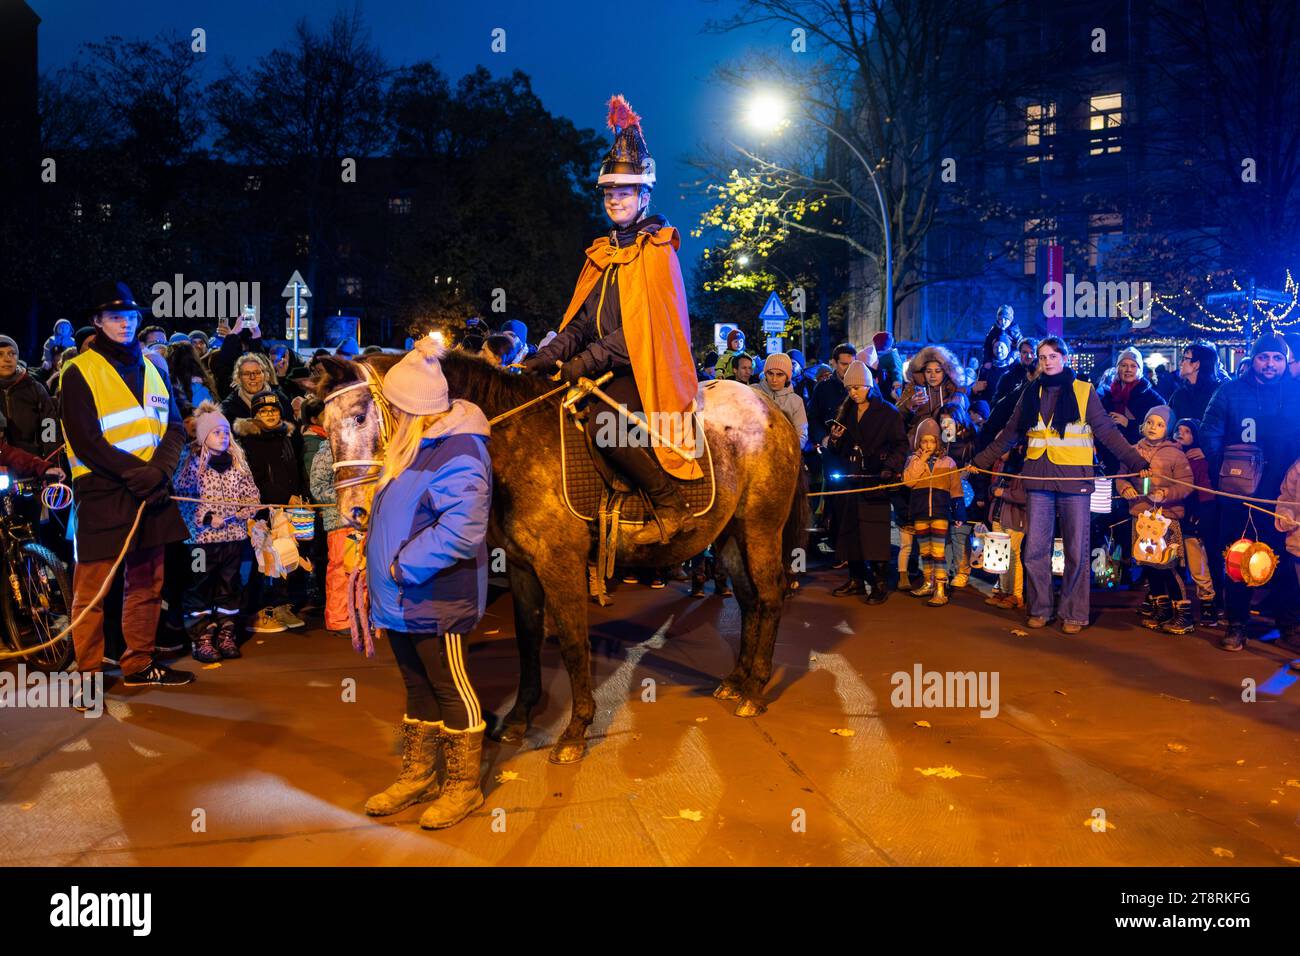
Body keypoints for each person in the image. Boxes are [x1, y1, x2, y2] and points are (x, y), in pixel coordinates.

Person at [521, 94, 699, 545]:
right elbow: (581, 323)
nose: (614, 200)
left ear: (643, 195)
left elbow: (641, 332)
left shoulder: (657, 251)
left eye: (624, 192)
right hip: (604, 366)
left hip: (643, 369)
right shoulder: (604, 252)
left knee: (604, 422)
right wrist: (548, 356)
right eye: (609, 193)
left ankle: (668, 504)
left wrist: (585, 364)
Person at [364, 337, 492, 829]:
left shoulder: (458, 449)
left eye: (390, 406)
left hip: (436, 596)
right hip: (400, 597)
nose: (384, 414)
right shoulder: (415, 445)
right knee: (417, 686)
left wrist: (402, 566)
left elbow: (463, 527)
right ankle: (419, 774)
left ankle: (463, 786)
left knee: (449, 685)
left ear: (409, 408)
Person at [58, 280, 195, 688]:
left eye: (131, 316)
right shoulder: (77, 370)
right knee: (92, 592)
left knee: (147, 584)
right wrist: (141, 475)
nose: (125, 323)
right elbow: (86, 440)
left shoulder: (153, 367)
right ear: (98, 322)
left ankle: (139, 664)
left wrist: (159, 473)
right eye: (115, 317)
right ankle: (88, 677)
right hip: (101, 492)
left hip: (152, 490)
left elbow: (174, 427)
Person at [973, 336, 1148, 634]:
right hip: (1038, 479)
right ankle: (1040, 608)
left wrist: (1136, 462)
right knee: (1035, 551)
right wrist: (980, 461)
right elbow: (1010, 434)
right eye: (1043, 356)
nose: (1047, 360)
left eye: (1053, 355)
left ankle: (1074, 613)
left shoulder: (1083, 391)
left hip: (1075, 481)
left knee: (1076, 551)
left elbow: (1106, 432)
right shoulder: (1031, 391)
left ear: (1065, 358)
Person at [1200, 331, 1300, 651]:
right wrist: (1227, 475)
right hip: (1240, 493)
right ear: (1253, 359)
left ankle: (1288, 623)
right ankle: (1237, 623)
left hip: (1283, 494)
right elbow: (1210, 434)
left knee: (1284, 559)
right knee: (1238, 557)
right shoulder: (1229, 392)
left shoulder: (1296, 393)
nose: (1269, 364)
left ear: (1285, 362)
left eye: (1276, 358)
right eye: (1263, 357)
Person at [174, 403, 261, 661]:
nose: (223, 437)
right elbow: (181, 497)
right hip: (201, 541)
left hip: (233, 538)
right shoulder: (191, 463)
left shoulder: (237, 463)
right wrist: (206, 516)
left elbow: (251, 494)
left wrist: (245, 511)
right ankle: (202, 636)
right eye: (216, 432)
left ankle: (226, 632)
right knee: (199, 586)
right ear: (203, 437)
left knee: (229, 585)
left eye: (225, 432)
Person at [826, 361, 908, 603]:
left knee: (875, 532)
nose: (853, 393)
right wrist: (834, 440)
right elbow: (835, 447)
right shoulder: (845, 411)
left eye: (858, 387)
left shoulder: (888, 413)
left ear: (869, 386)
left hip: (875, 477)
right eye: (849, 388)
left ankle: (880, 583)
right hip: (850, 477)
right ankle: (856, 579)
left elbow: (901, 445)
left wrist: (889, 468)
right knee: (850, 530)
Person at [1115, 406, 1195, 633]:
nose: (1153, 428)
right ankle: (1162, 607)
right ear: (1143, 424)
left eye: (1160, 425)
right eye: (1150, 422)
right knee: (1149, 564)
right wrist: (1125, 488)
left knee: (1169, 565)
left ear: (1167, 429)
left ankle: (1183, 613)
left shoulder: (1176, 454)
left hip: (1166, 519)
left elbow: (1186, 483)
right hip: (1141, 516)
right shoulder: (1132, 451)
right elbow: (1121, 477)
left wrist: (1166, 494)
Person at [238, 390, 306, 633]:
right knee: (262, 562)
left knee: (285, 556)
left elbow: (293, 469)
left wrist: (296, 493)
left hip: (285, 510)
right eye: (263, 411)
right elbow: (253, 478)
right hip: (262, 511)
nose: (269, 414)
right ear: (255, 415)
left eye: (274, 410)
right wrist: (276, 499)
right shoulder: (248, 442)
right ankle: (257, 610)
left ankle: (281, 605)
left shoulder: (285, 437)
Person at [903, 418, 961, 606]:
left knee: (938, 551)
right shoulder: (913, 460)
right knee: (925, 551)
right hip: (920, 511)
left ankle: (940, 587)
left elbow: (956, 488)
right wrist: (922, 460)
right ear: (918, 442)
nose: (928, 445)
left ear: (938, 441)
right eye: (924, 441)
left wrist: (959, 512)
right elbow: (908, 481)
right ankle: (928, 582)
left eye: (932, 441)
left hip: (939, 511)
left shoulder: (948, 461)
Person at [1173, 417, 1219, 626]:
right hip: (1173, 513)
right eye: (1178, 430)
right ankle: (1177, 602)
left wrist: (1199, 513)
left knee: (1197, 560)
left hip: (1193, 515)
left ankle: (1207, 601)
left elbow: (1204, 490)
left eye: (1187, 431)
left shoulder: (1198, 459)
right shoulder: (1170, 456)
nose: (1181, 434)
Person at [1097, 347, 1165, 472]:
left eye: (1133, 366)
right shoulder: (1107, 396)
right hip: (1109, 457)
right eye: (1124, 365)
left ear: (1139, 370)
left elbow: (1162, 429)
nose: (1128, 369)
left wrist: (1129, 423)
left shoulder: (1151, 398)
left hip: (1139, 459)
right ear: (1118, 369)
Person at [0, 334, 59, 460]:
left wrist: (49, 460)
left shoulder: (34, 388)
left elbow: (49, 423)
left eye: (12, 353)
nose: (7, 359)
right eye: (0, 354)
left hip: (33, 465)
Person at [984, 444, 1028, 609]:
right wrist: (993, 489)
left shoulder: (1024, 470)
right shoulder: (1001, 467)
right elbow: (992, 487)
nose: (999, 451)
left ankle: (1016, 595)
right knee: (1000, 556)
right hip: (998, 516)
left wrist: (1003, 493)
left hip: (1015, 519)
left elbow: (1026, 496)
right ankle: (1004, 590)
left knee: (1013, 555)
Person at [938, 402, 977, 588]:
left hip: (963, 492)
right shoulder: (940, 443)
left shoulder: (970, 442)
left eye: (949, 421)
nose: (945, 425)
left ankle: (962, 571)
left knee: (959, 534)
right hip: (943, 491)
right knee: (945, 534)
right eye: (942, 421)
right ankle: (946, 570)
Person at [898, 344, 963, 437]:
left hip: (946, 440)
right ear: (923, 372)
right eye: (928, 371)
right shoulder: (914, 388)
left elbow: (962, 422)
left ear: (945, 372)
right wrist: (910, 405)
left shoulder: (955, 391)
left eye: (937, 371)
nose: (932, 375)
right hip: (919, 441)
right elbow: (897, 416)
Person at [753, 352, 809, 450]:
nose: (774, 379)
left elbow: (801, 435)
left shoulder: (796, 401)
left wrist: (787, 450)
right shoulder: (752, 392)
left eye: (779, 375)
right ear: (765, 373)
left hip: (783, 455)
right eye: (770, 373)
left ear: (787, 377)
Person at [1275, 456, 1300, 658]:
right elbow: (1286, 499)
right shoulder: (1297, 468)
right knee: (1294, 591)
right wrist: (1286, 517)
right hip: (1299, 543)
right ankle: (1290, 632)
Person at [1168, 341, 1226, 424]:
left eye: (1185, 359)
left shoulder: (1218, 394)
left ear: (1196, 365)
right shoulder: (1179, 394)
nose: (1180, 363)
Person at [972, 336, 1014, 401]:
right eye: (996, 347)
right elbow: (978, 390)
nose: (999, 350)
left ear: (1007, 349)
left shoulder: (1014, 367)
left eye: (1002, 347)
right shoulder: (986, 369)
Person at [872, 332, 906, 401]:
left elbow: (897, 373)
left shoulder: (892, 357)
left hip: (890, 393)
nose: (874, 345)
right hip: (884, 389)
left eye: (875, 343)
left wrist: (897, 393)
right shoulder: (883, 355)